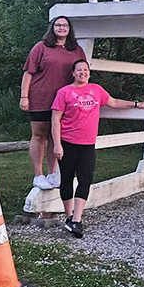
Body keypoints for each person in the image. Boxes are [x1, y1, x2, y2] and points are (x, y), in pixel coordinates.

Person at [51, 59, 144, 238]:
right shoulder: (64, 92)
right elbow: (55, 120)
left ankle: (77, 220)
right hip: (67, 143)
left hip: (88, 144)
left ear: (89, 73)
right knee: (66, 180)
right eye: (79, 70)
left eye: (85, 70)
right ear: (73, 73)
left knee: (85, 179)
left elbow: (114, 102)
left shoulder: (96, 90)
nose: (82, 73)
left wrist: (135, 104)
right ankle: (69, 216)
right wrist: (57, 144)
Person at [19, 17, 87, 195]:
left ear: (69, 29)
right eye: (58, 25)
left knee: (55, 136)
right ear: (52, 28)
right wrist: (24, 96)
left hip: (65, 101)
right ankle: (38, 175)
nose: (62, 28)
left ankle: (52, 173)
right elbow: (28, 73)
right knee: (39, 135)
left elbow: (81, 74)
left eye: (65, 25)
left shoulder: (77, 50)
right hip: (41, 98)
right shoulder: (41, 47)